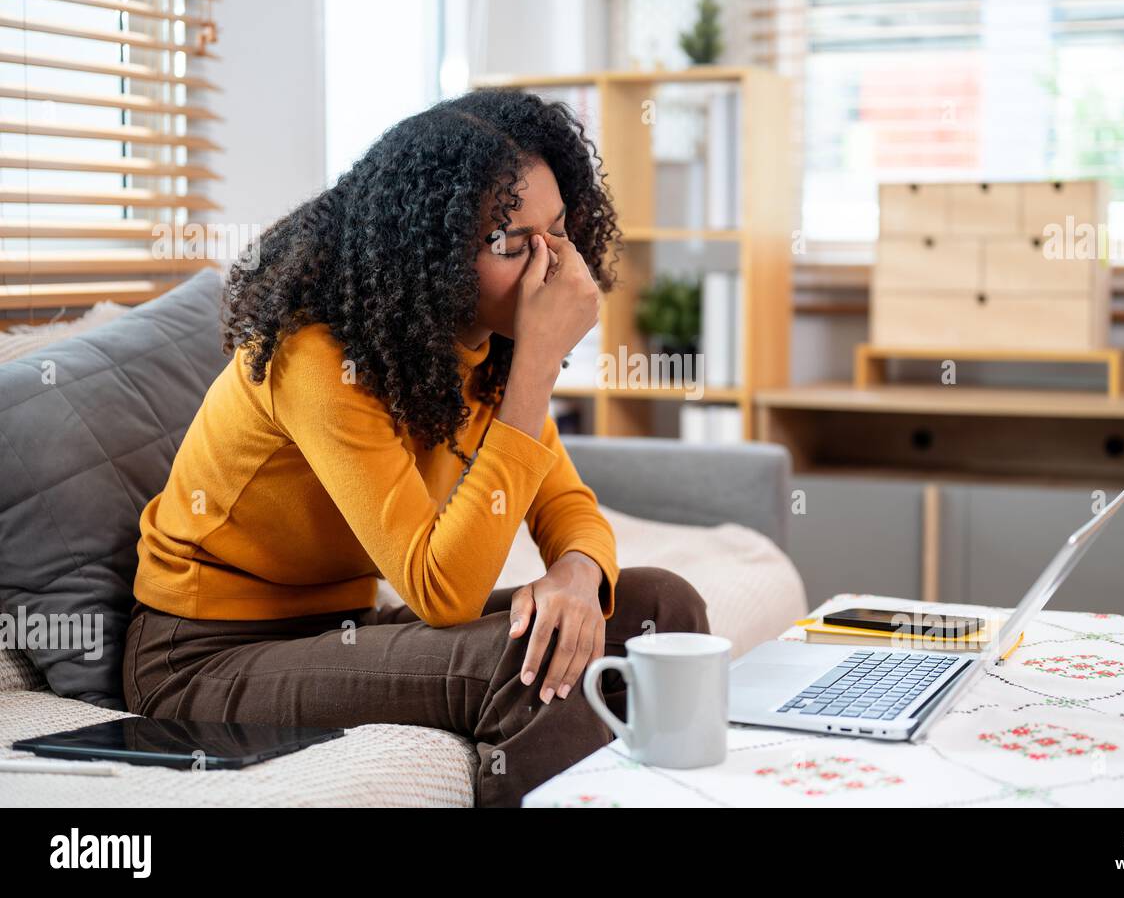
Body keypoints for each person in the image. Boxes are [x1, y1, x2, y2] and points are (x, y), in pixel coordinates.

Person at [121, 88, 711, 807]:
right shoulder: (317, 357)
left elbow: (567, 505)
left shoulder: (479, 348)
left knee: (660, 606)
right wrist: (538, 369)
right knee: (534, 659)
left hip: (339, 625)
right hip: (203, 654)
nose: (550, 265)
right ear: (430, 254)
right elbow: (443, 591)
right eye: (512, 243)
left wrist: (578, 576)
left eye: (557, 231)